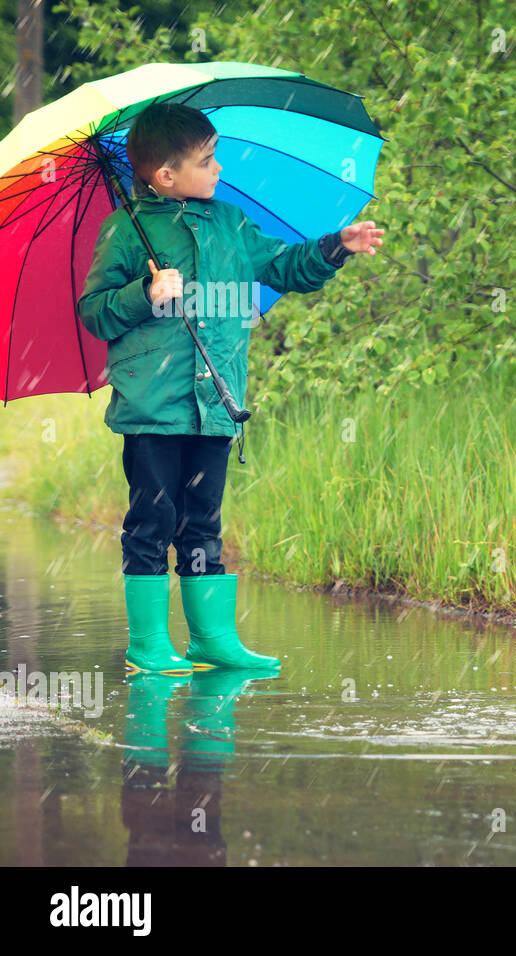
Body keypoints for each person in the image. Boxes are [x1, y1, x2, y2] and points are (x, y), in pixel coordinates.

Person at [77, 102, 384, 675]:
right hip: (153, 413)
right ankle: (147, 645)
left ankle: (211, 639)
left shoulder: (231, 224)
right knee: (151, 522)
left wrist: (336, 244)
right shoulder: (124, 232)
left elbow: (286, 266)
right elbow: (94, 314)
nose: (219, 169)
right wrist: (144, 293)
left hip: (216, 407)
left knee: (203, 523)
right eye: (207, 160)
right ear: (164, 176)